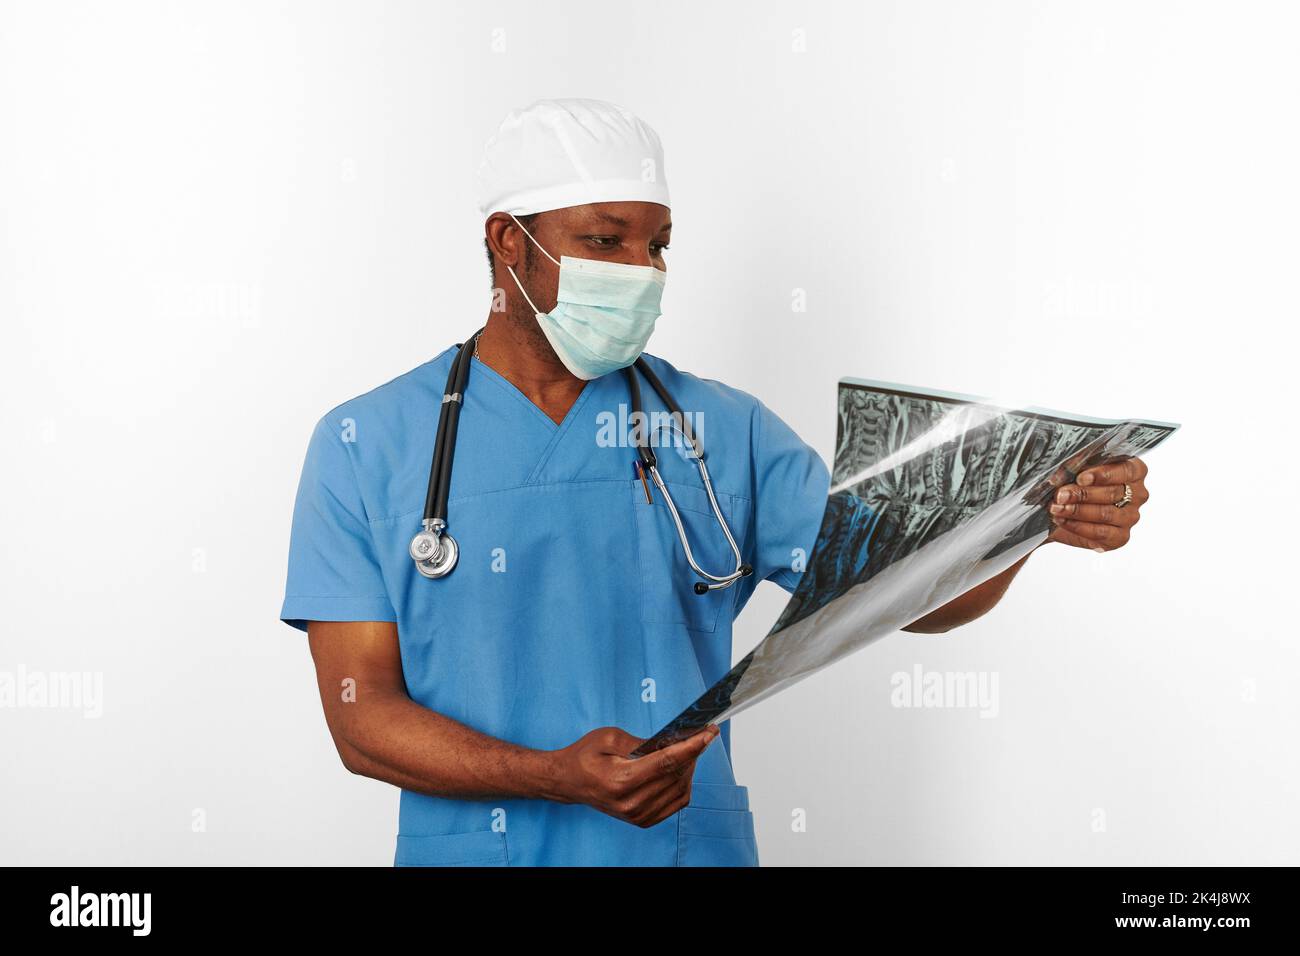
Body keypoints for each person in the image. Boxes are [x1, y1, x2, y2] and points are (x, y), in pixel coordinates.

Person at [279, 98, 1152, 866]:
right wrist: (549, 777)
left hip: (684, 852)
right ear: (509, 241)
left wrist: (1035, 520)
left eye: (656, 243)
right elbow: (362, 719)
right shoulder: (368, 444)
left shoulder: (719, 431)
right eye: (603, 241)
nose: (642, 270)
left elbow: (906, 593)